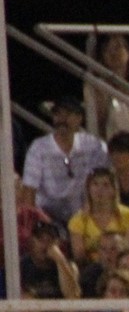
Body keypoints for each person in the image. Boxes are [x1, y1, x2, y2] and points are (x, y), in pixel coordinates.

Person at [21, 97, 110, 227]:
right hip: (46, 218)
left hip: (83, 216)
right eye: (58, 114)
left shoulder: (93, 146)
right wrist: (33, 223)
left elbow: (105, 183)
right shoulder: (38, 148)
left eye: (68, 114)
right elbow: (29, 192)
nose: (62, 120)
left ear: (79, 118)